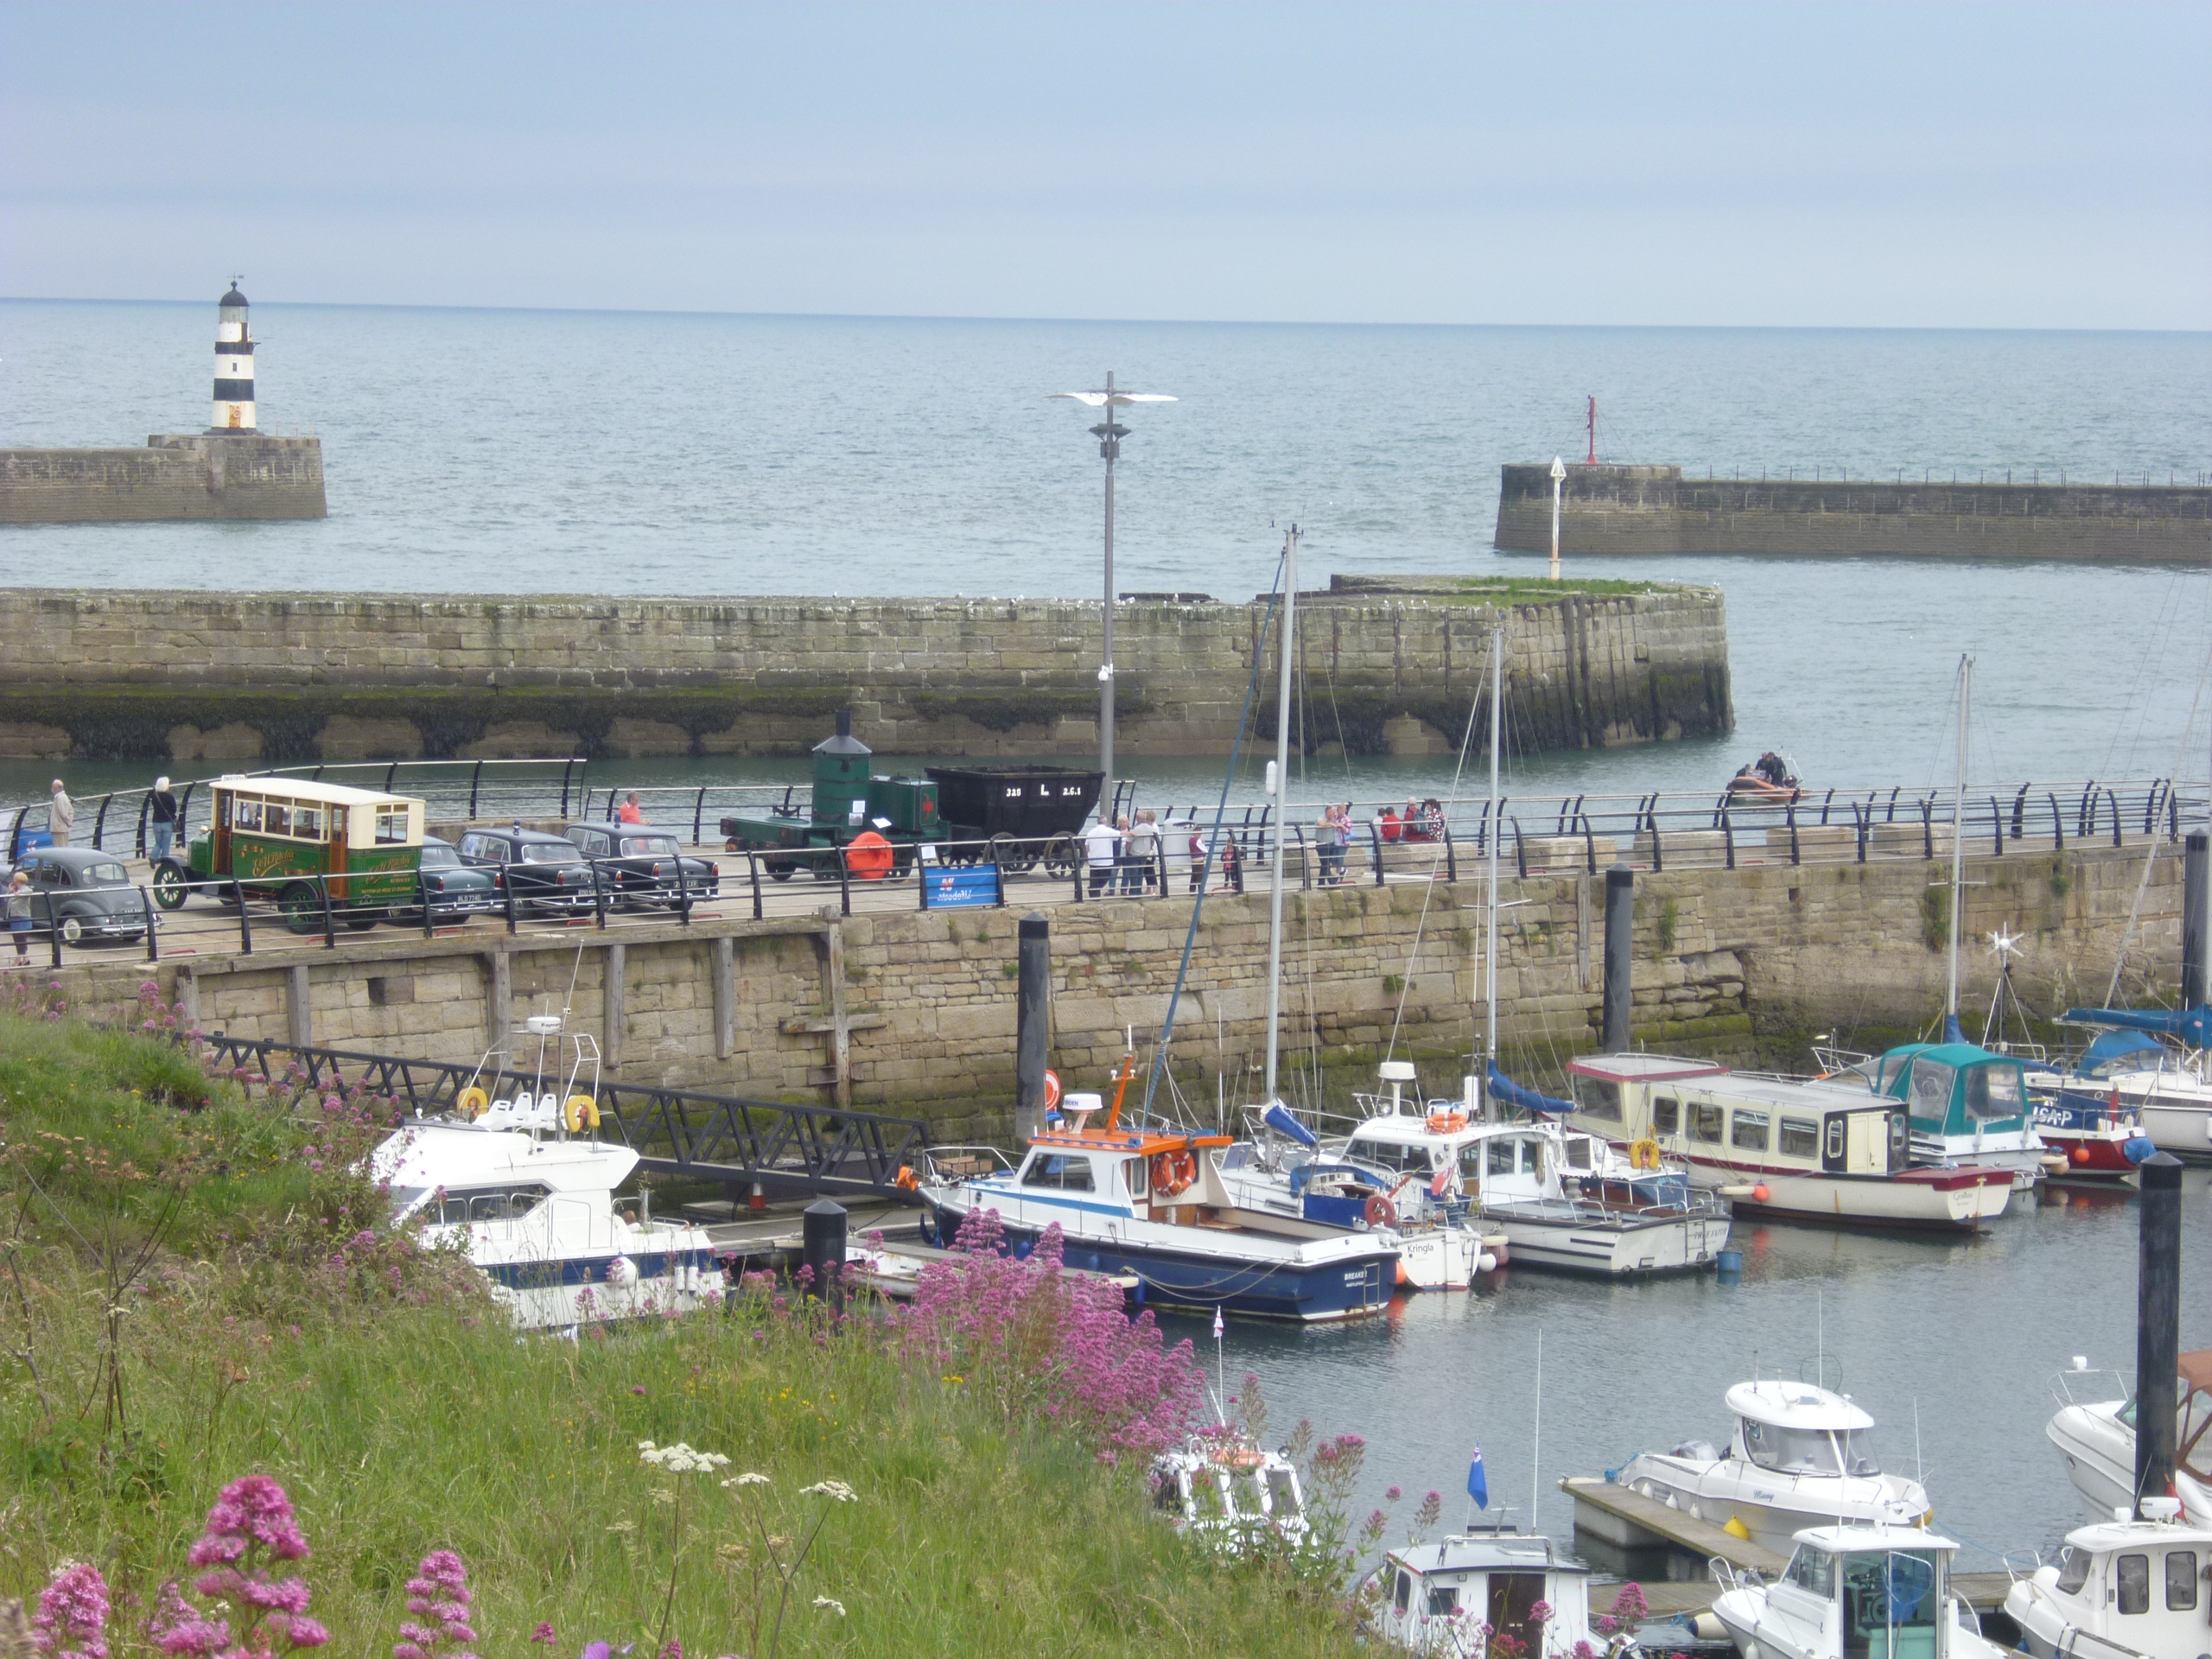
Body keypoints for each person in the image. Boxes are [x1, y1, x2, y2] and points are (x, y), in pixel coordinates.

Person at [1082, 815, 1122, 899]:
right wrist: (1131, 832)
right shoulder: (1108, 831)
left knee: (1094, 877)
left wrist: (1089, 854)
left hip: (1093, 859)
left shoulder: (1091, 832)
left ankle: (1094, 894)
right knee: (1106, 875)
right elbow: (1120, 834)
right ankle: (1094, 890)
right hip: (1105, 860)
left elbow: (1086, 845)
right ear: (1105, 822)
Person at [1126, 810, 1159, 895]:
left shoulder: (1136, 829)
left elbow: (1128, 842)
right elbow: (1152, 841)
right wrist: (1147, 849)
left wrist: (1128, 851)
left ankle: (1133, 893)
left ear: (1138, 818)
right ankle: (1138, 891)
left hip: (1134, 854)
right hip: (1144, 854)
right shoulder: (1150, 829)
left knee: (1134, 874)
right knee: (1140, 873)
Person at [149, 775, 179, 862]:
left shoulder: (154, 796)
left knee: (158, 843)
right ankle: (165, 861)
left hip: (156, 822)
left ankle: (153, 857)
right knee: (166, 844)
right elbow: (174, 809)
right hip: (167, 822)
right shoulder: (170, 796)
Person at [6, 870, 32, 965]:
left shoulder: (25, 889)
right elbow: (7, 900)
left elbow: (29, 891)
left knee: (21, 938)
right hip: (14, 916)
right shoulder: (15, 890)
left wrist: (19, 893)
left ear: (17, 881)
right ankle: (25, 959)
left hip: (22, 916)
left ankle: (19, 959)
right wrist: (10, 891)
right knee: (17, 938)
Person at [48, 780, 73, 846]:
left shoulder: (60, 798)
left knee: (60, 848)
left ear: (56, 788)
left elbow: (64, 814)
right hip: (62, 828)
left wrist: (68, 822)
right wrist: (70, 821)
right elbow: (71, 811)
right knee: (64, 847)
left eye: (53, 787)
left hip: (59, 829)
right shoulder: (63, 796)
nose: (52, 788)